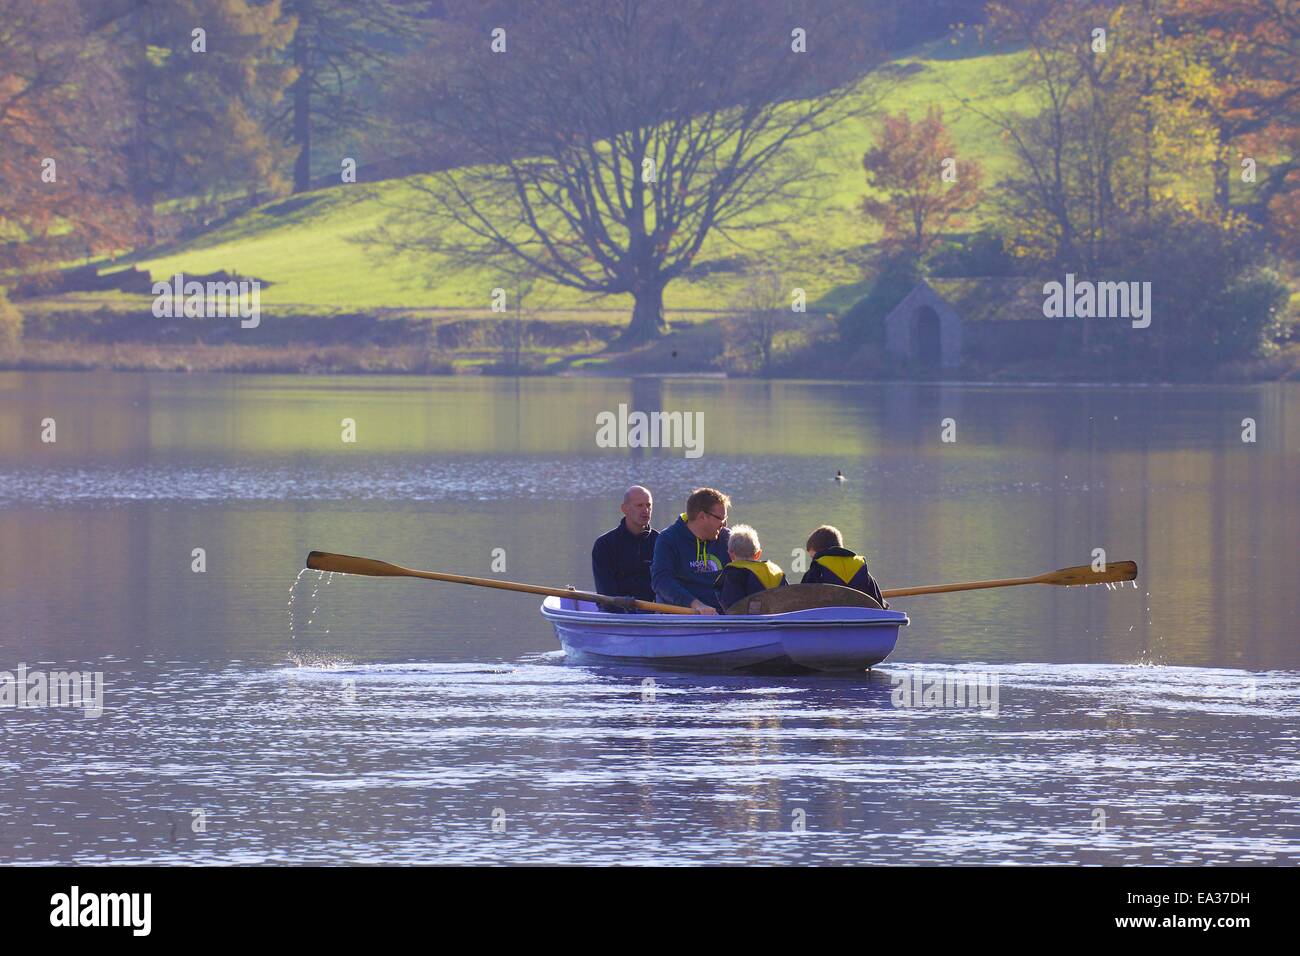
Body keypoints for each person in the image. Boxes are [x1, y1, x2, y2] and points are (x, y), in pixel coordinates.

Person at [650, 487, 732, 615]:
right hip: (684, 617)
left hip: (721, 617)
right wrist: (696, 605)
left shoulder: (727, 538)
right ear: (702, 516)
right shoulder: (668, 539)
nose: (724, 524)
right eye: (720, 519)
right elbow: (661, 582)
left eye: (725, 519)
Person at [591, 485, 658, 610]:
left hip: (653, 613)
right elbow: (606, 592)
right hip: (614, 613)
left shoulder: (660, 542)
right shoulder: (604, 545)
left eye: (648, 505)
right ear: (624, 509)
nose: (646, 510)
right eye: (639, 506)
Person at [800, 525, 888, 607]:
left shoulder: (816, 569)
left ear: (819, 553)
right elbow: (879, 604)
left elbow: (801, 603)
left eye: (812, 556)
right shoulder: (861, 567)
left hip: (829, 618)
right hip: (859, 618)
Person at [713, 524, 786, 613]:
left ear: (731, 554)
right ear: (758, 554)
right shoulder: (777, 572)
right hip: (777, 622)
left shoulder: (733, 574)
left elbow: (731, 607)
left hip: (749, 625)